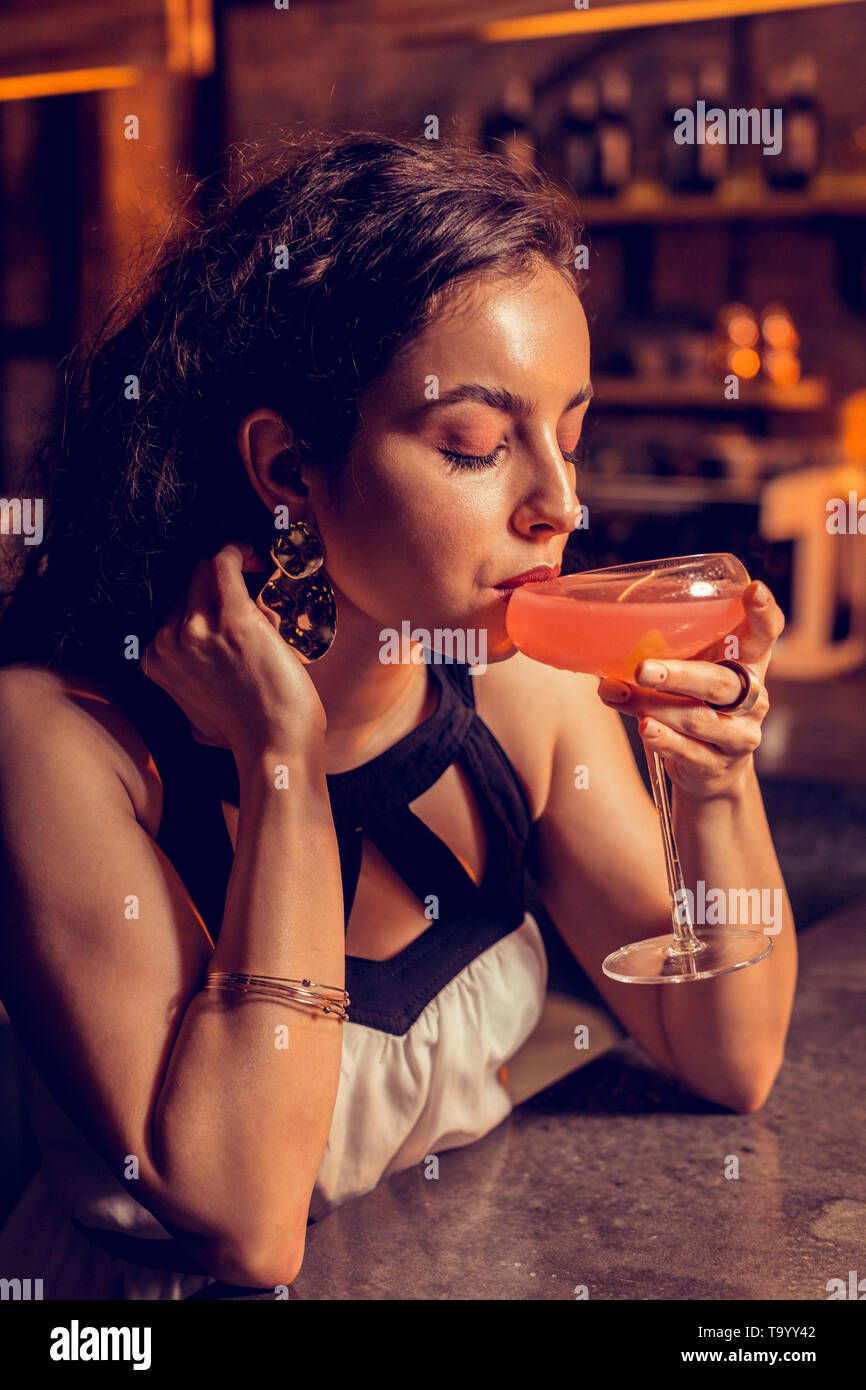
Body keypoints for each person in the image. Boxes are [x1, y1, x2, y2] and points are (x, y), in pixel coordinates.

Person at [0, 129, 797, 1300]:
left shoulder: (521, 693)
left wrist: (716, 780)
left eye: (567, 436)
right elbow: (244, 1221)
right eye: (474, 446)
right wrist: (283, 762)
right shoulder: (58, 744)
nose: (558, 504)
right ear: (286, 469)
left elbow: (730, 1057)